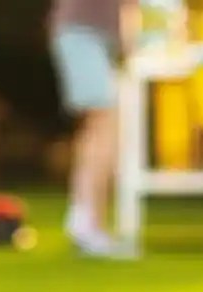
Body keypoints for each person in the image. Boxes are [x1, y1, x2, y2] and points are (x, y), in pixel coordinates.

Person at [49, 0, 134, 257]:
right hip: (81, 34)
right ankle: (86, 222)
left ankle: (90, 221)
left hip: (92, 36)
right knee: (103, 125)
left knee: (105, 128)